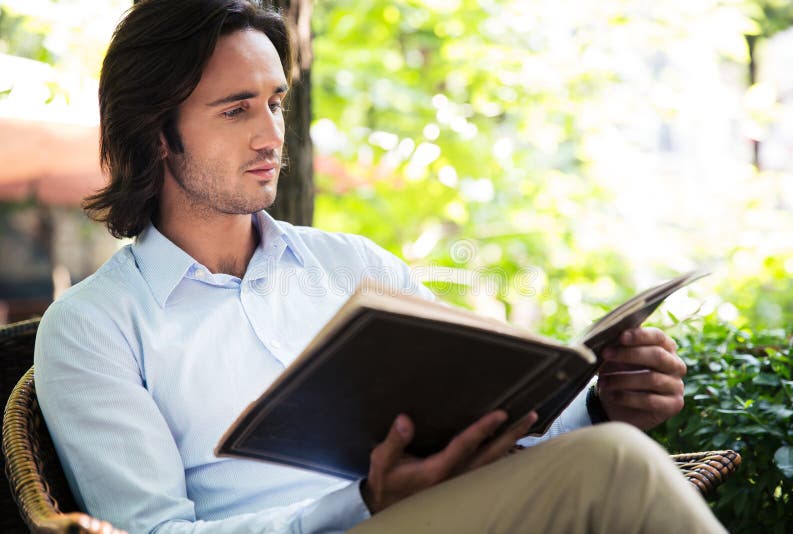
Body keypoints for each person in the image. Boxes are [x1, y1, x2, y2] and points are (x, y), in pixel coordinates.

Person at [34, 1, 726, 532]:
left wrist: (605, 401)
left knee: (612, 455)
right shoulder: (93, 327)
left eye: (275, 102)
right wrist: (361, 502)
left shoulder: (353, 266)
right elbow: (154, 531)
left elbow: (495, 421)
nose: (271, 132)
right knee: (617, 467)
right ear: (156, 134)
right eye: (236, 109)